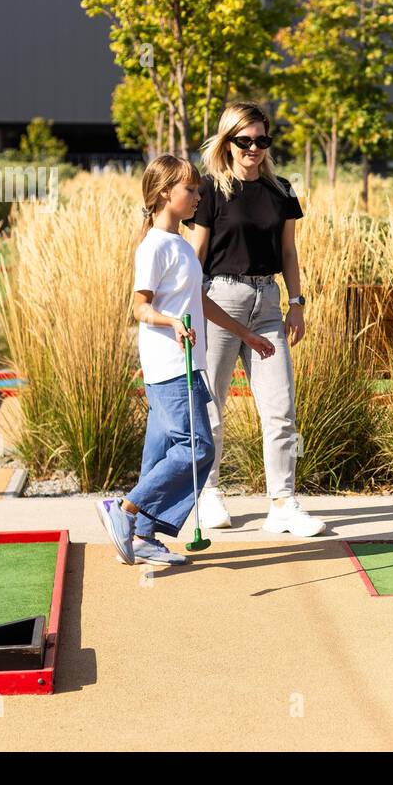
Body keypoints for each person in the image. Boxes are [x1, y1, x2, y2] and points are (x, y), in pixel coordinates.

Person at [96, 154, 275, 566]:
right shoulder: (154, 246)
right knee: (197, 448)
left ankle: (142, 536)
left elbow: (200, 301)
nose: (198, 196)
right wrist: (173, 322)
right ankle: (123, 508)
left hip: (182, 363)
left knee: (160, 454)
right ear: (165, 193)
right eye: (190, 189)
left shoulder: (179, 243)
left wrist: (244, 333)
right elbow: (140, 307)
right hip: (172, 365)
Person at [185, 102, 324, 537]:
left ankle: (282, 503)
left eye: (262, 140)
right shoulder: (209, 191)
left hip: (267, 302)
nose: (254, 148)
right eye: (244, 140)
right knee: (212, 404)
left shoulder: (281, 190)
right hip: (219, 300)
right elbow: (196, 256)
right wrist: (188, 308)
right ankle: (209, 492)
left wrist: (296, 303)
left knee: (281, 408)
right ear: (227, 142)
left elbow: (289, 252)